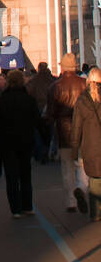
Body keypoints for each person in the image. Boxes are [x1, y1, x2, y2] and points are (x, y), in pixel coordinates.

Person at [0, 69, 46, 216]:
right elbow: (38, 121)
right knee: (25, 175)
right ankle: (27, 206)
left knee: (11, 177)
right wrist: (44, 140)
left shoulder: (2, 100)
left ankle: (15, 209)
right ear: (22, 81)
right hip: (25, 141)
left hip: (7, 142)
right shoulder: (29, 100)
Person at [49, 53, 88, 213]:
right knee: (82, 165)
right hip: (83, 130)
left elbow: (51, 112)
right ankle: (81, 188)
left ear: (62, 67)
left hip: (64, 131)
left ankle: (71, 201)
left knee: (67, 167)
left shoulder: (55, 87)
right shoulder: (85, 84)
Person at [72, 67, 101, 221]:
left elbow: (76, 127)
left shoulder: (82, 100)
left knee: (91, 178)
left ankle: (95, 211)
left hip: (88, 145)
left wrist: (74, 149)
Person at [26, 61, 55, 162]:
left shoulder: (34, 80)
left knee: (38, 132)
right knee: (49, 131)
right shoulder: (52, 80)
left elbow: (28, 92)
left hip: (37, 108)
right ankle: (47, 151)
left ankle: (40, 152)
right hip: (50, 107)